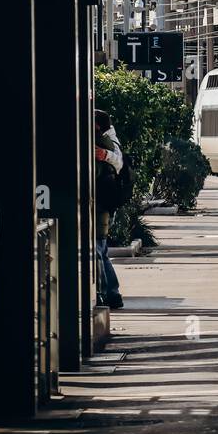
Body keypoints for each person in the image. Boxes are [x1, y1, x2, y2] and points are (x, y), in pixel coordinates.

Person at [94, 109, 126, 310]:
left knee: (99, 249)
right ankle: (111, 292)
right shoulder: (106, 138)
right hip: (104, 204)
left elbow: (118, 162)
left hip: (102, 205)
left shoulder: (106, 141)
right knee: (101, 250)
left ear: (97, 125)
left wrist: (103, 154)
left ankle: (110, 293)